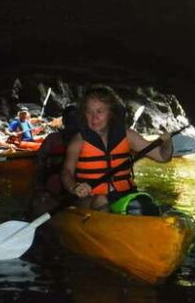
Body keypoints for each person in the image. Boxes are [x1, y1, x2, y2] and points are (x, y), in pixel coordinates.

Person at [60, 85, 173, 213]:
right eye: (89, 111)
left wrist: (167, 144)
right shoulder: (78, 140)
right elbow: (66, 172)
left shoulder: (128, 135)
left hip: (123, 194)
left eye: (100, 111)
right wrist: (74, 187)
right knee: (101, 200)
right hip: (89, 198)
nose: (94, 117)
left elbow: (163, 156)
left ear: (111, 113)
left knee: (144, 202)